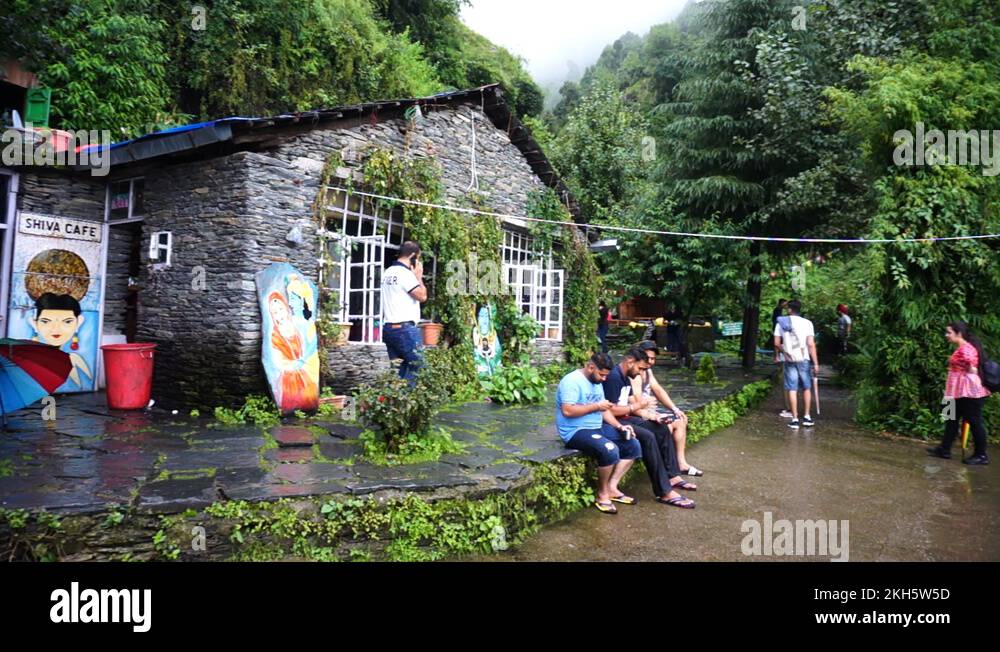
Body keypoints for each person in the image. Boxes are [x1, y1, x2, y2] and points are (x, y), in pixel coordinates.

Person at [603, 347, 696, 508]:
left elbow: (630, 404)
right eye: (640, 368)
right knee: (647, 437)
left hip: (625, 417)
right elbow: (609, 410)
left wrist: (653, 416)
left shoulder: (626, 376)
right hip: (610, 421)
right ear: (630, 361)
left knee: (660, 428)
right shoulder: (613, 378)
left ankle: (672, 476)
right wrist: (639, 407)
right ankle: (663, 491)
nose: (640, 373)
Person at [555, 353, 643, 514]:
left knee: (632, 444)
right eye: (601, 375)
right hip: (575, 431)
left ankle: (612, 488)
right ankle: (602, 494)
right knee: (609, 449)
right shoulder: (571, 381)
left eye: (606, 376)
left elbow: (604, 410)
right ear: (590, 367)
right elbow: (567, 411)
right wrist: (596, 406)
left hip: (597, 427)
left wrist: (619, 426)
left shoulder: (597, 382)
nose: (604, 379)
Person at [634, 340, 702, 476]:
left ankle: (681, 463)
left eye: (653, 358)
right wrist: (645, 405)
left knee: (680, 420)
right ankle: (666, 469)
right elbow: (635, 402)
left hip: (651, 411)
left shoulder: (648, 371)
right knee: (667, 427)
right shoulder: (634, 373)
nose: (651, 361)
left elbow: (658, 390)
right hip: (638, 414)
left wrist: (674, 409)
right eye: (648, 358)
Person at [927, 321, 991, 465]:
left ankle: (981, 455)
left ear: (959, 334)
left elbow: (972, 365)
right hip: (955, 391)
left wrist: (972, 369)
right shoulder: (962, 348)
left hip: (967, 392)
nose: (946, 335)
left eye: (949, 332)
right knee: (950, 419)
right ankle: (944, 449)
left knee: (975, 422)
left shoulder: (966, 349)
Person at [380, 241, 427, 382]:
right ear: (413, 256)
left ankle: (395, 400)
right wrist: (419, 277)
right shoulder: (405, 274)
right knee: (419, 366)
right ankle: (404, 399)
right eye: (418, 258)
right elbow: (422, 296)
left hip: (389, 328)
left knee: (399, 370)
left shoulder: (387, 272)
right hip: (405, 329)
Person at [31, 293, 92, 390]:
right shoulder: (30, 360)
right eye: (46, 321)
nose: (56, 329)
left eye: (67, 321)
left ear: (79, 322)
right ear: (34, 323)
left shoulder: (74, 359)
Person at [773, 300, 818, 429]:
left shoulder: (781, 322)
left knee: (792, 388)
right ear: (799, 309)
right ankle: (807, 417)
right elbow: (810, 344)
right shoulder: (808, 323)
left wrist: (785, 352)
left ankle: (794, 419)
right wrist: (815, 363)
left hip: (789, 360)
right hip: (804, 358)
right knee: (806, 387)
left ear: (789, 309)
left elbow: (776, 343)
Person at [772, 299, 794, 418]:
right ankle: (794, 410)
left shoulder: (783, 317)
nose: (786, 306)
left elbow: (777, 343)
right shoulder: (779, 314)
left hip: (787, 354)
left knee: (788, 383)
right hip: (798, 356)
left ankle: (790, 409)